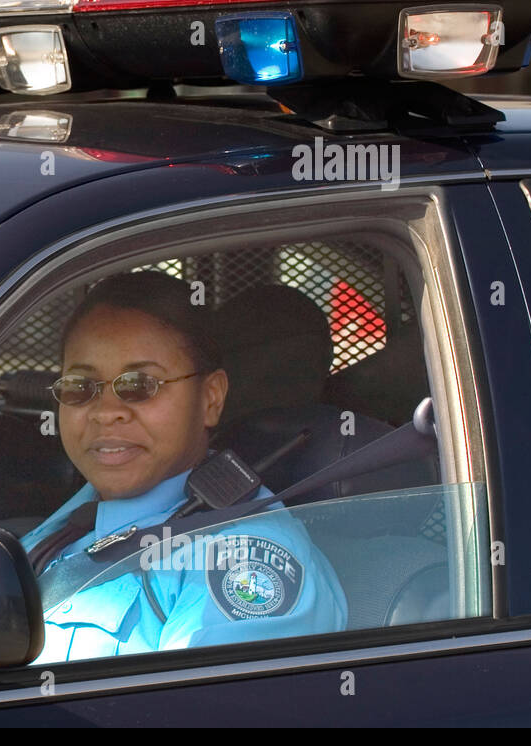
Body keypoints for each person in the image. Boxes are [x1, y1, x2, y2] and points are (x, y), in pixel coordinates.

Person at [20, 270, 347, 662]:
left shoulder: (242, 561)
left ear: (211, 398)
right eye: (79, 386)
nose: (106, 413)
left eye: (140, 385)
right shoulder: (78, 515)